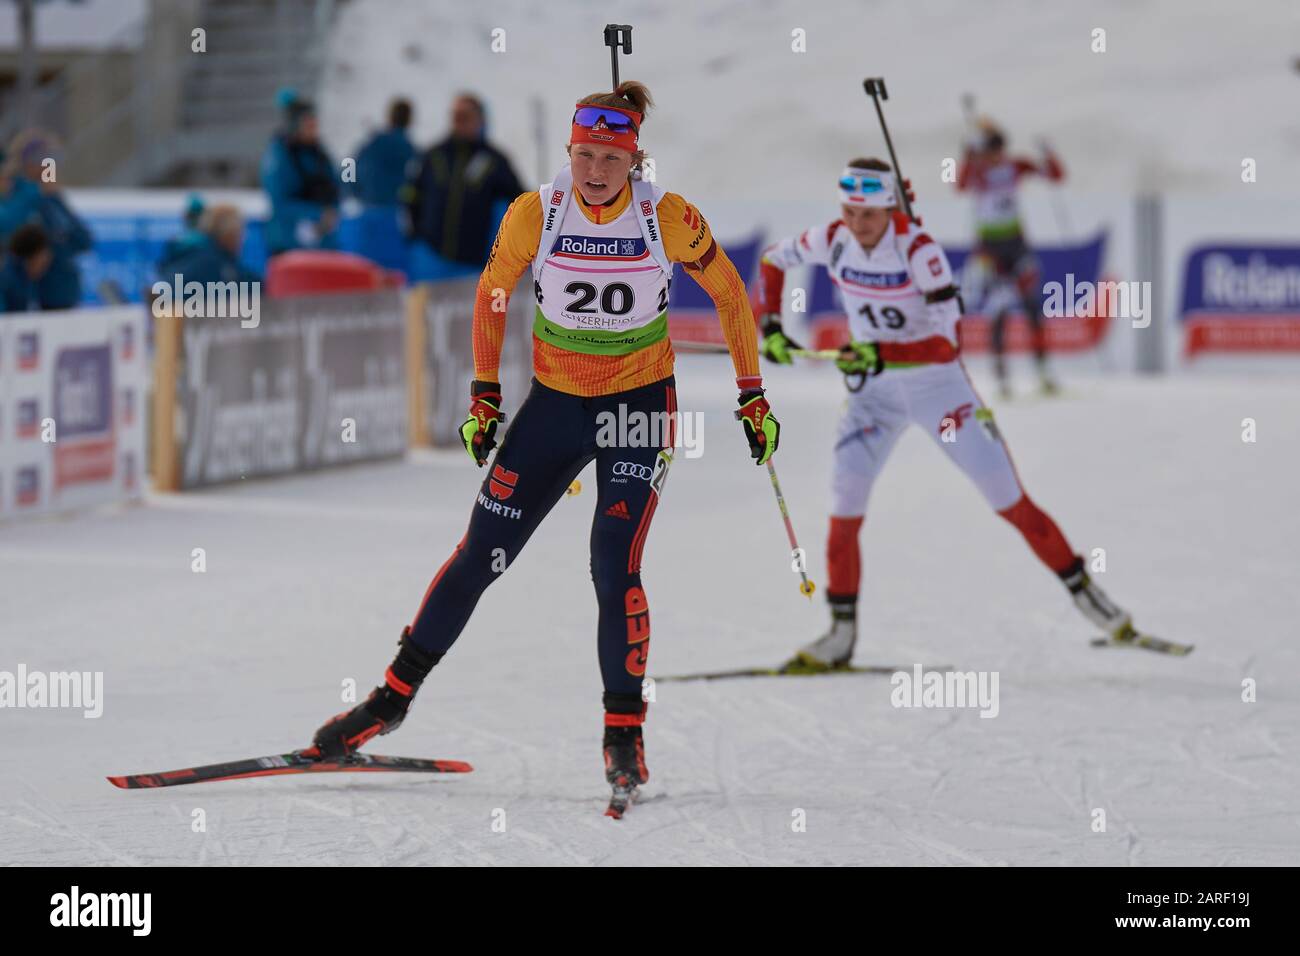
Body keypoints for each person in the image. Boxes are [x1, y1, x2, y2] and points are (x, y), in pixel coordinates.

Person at [308, 81, 779, 813]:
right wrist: (485, 395)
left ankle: (623, 733)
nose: (595, 170)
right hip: (555, 407)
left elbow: (730, 294)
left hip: (637, 405)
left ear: (634, 158)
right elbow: (494, 292)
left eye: (610, 158)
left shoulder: (668, 215)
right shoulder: (540, 210)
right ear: (569, 152)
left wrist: (752, 393)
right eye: (584, 154)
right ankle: (389, 700)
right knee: (480, 555)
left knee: (612, 561)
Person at [757, 158, 1137, 672]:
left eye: (867, 213)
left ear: (890, 206)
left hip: (941, 393)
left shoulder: (920, 251)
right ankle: (840, 633)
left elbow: (944, 344)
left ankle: (1090, 597)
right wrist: (773, 325)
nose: (856, 223)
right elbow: (772, 259)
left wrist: (884, 351)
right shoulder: (833, 238)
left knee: (1010, 504)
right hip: (873, 396)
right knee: (843, 511)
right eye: (848, 210)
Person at [956, 120, 1064, 398]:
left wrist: (1048, 151)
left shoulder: (1015, 166)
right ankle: (1002, 379)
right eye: (989, 150)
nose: (995, 156)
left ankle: (1044, 374)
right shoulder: (978, 171)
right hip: (989, 251)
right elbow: (958, 184)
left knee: (1032, 308)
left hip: (1017, 245)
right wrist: (966, 155)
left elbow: (1055, 176)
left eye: (998, 149)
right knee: (999, 311)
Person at [402, 92, 524, 277]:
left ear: (480, 120)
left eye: (465, 116)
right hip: (431, 259)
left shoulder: (493, 160)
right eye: (455, 116)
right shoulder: (434, 155)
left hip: (472, 265)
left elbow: (519, 203)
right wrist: (415, 233)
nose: (459, 121)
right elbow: (411, 194)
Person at [261, 89, 341, 256]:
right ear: (295, 125)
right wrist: (318, 214)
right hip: (288, 245)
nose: (314, 130)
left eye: (315, 124)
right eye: (309, 125)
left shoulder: (318, 154)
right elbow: (280, 202)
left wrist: (331, 213)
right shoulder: (280, 156)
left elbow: (334, 187)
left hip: (322, 245)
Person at [162, 204, 262, 286]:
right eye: (239, 233)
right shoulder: (213, 264)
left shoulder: (194, 254)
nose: (242, 239)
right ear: (228, 234)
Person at [0, 223, 55, 312]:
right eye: (43, 257)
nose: (49, 258)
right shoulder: (7, 283)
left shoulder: (26, 280)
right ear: (32, 257)